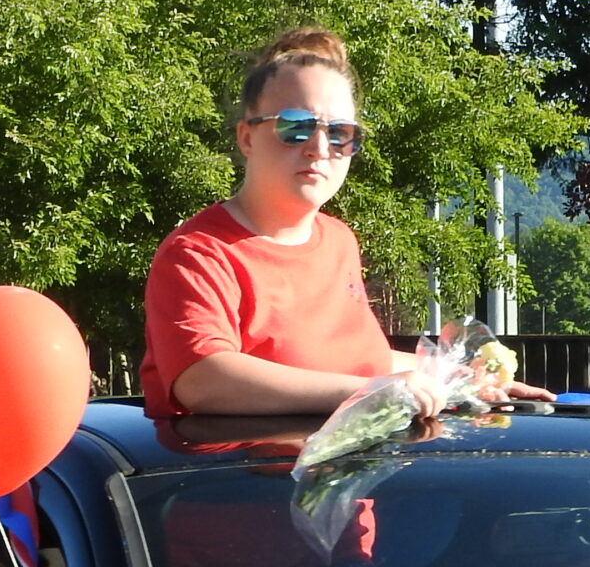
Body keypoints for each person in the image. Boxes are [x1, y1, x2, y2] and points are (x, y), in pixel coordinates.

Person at [142, 27, 548, 418]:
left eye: (340, 133)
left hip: (346, 483)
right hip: (242, 481)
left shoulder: (338, 240)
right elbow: (202, 380)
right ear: (246, 138)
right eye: (295, 128)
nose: (320, 148)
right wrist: (369, 393)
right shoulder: (199, 253)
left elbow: (359, 361)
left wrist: (462, 380)